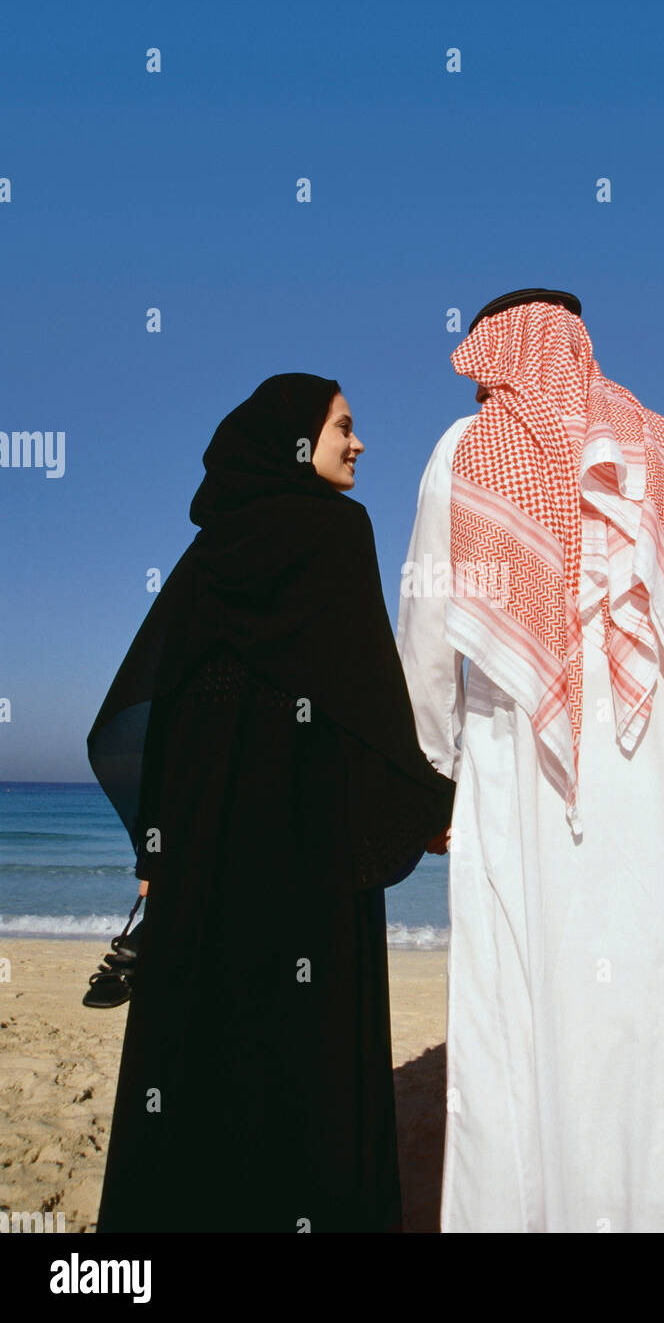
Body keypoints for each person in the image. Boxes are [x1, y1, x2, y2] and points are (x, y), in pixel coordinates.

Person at [396, 290, 664, 1233]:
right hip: (657, 772)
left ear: (493, 350)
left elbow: (425, 629)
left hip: (513, 761)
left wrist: (430, 771)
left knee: (527, 1004)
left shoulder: (464, 451)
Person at [89, 372, 455, 1233]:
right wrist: (427, 799)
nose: (358, 443)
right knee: (305, 1045)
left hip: (208, 847)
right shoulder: (335, 530)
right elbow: (367, 701)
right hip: (304, 844)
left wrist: (154, 854)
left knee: (202, 1041)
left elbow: (165, 713)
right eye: (344, 427)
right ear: (297, 439)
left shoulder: (213, 552)